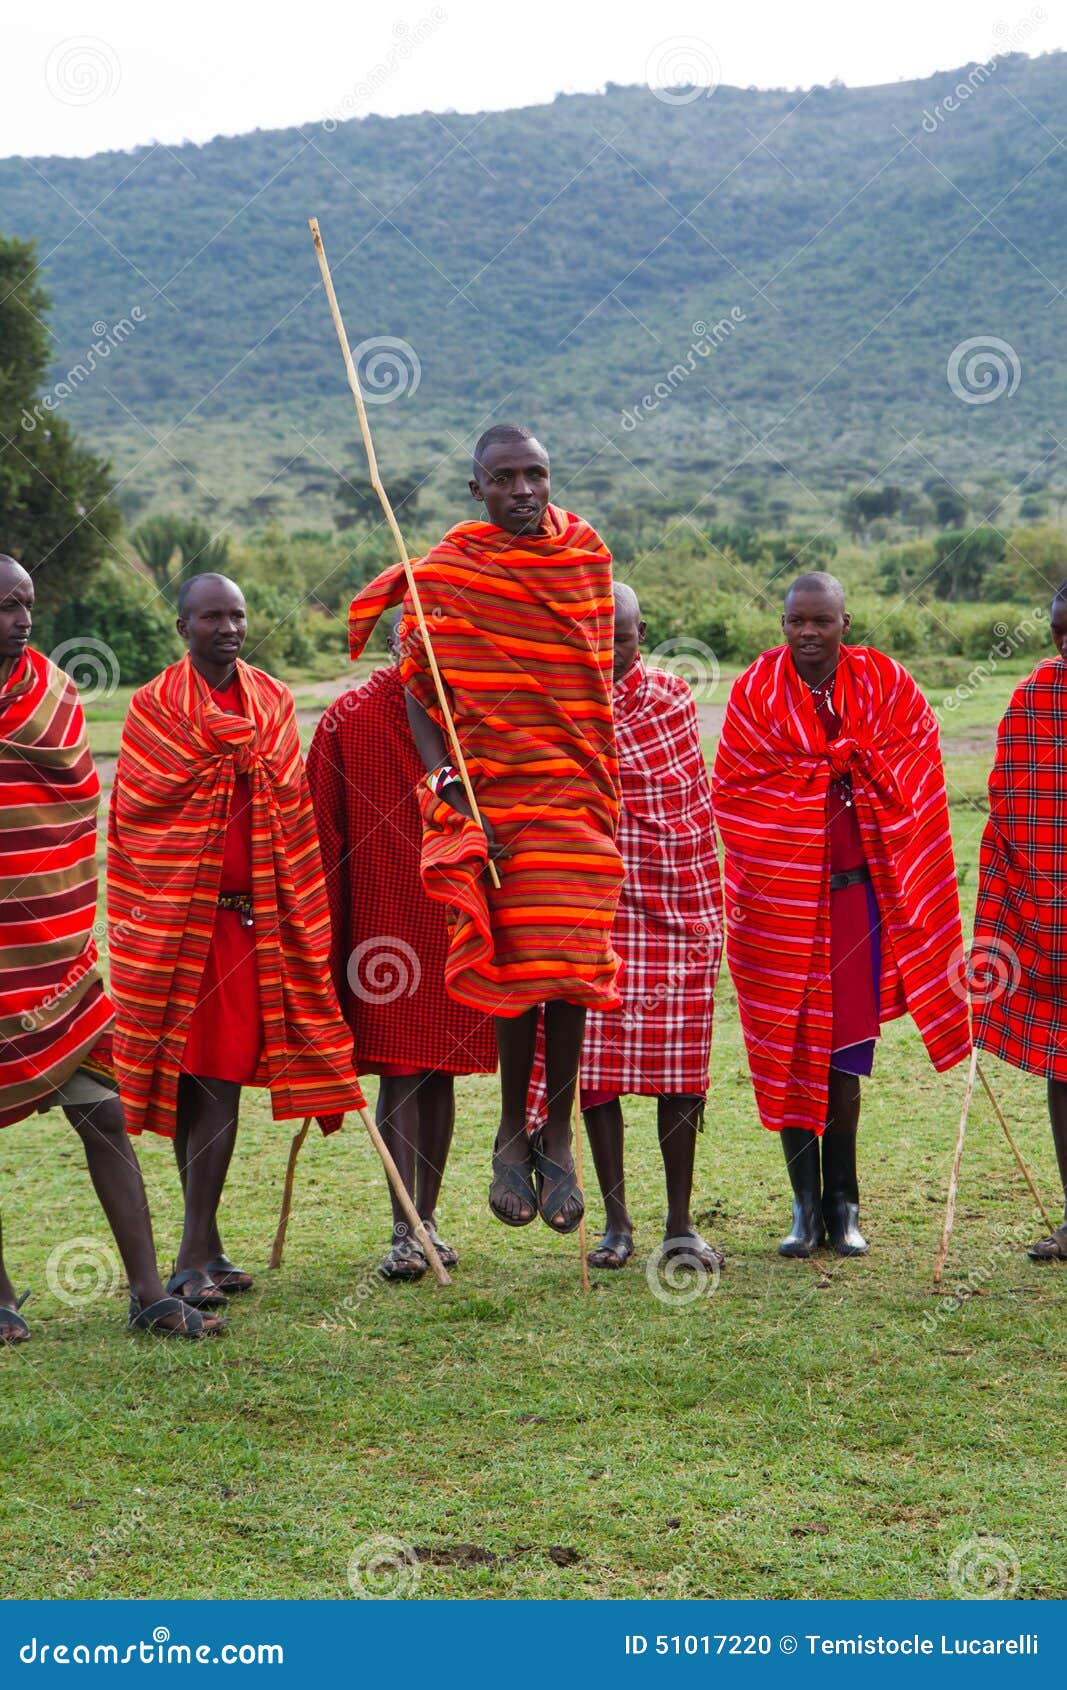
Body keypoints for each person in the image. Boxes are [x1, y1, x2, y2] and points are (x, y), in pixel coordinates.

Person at [346, 426, 624, 1237]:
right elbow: (415, 689)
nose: (523, 490)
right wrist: (446, 787)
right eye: (503, 479)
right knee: (513, 962)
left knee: (570, 965)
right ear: (477, 490)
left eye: (535, 474)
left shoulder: (585, 559)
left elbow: (592, 678)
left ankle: (558, 1130)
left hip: (576, 791)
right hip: (493, 796)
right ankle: (511, 1131)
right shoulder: (449, 572)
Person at [107, 573, 364, 1310]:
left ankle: (199, 1250)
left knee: (217, 1080)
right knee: (199, 1082)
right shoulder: (157, 707)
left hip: (256, 925)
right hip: (179, 924)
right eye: (211, 617)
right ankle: (199, 1251)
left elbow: (291, 805)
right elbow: (140, 813)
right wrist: (222, 772)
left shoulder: (273, 702)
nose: (228, 628)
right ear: (182, 626)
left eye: (238, 616)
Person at [712, 572, 970, 1256]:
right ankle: (801, 1206)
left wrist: (860, 766)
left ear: (844, 624)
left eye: (820, 621)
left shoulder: (884, 682)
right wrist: (823, 770)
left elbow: (915, 762)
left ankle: (843, 1203)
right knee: (790, 1050)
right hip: (777, 904)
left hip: (855, 900)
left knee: (842, 1056)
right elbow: (736, 794)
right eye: (796, 620)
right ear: (782, 622)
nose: (807, 633)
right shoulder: (753, 693)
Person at [0, 553, 217, 1340]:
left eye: (26, 604)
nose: (22, 620)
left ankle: (149, 1292)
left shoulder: (52, 694)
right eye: (5, 606)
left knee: (105, 1116)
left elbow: (75, 805)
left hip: (57, 953)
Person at [528, 584, 724, 1271]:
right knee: (597, 1075)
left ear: (644, 632)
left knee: (678, 1076)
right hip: (590, 910)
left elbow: (687, 802)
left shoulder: (670, 698)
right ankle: (614, 1223)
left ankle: (679, 1221)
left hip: (674, 908)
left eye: (624, 635)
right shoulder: (556, 703)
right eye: (597, 636)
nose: (610, 650)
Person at [306, 611, 497, 1280]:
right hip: (381, 924)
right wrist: (323, 935)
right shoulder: (348, 717)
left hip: (452, 915)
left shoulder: (472, 714)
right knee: (399, 1069)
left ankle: (428, 1217)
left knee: (438, 1068)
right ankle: (404, 1227)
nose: (425, 652)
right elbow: (320, 837)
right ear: (393, 645)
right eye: (413, 640)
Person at [972, 585, 1067, 1261]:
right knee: (1064, 1070)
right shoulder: (1034, 698)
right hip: (1051, 914)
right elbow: (1010, 810)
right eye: (1059, 634)